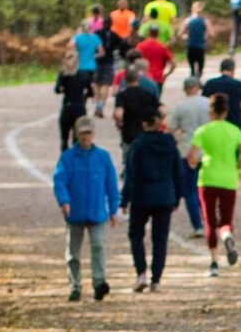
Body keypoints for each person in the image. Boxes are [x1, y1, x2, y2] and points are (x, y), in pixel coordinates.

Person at [52, 116, 119, 303]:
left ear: (93, 134)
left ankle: (99, 282)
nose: (85, 137)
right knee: (73, 253)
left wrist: (113, 208)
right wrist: (64, 201)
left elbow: (111, 184)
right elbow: (59, 181)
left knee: (98, 246)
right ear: (76, 134)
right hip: (75, 214)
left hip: (97, 213)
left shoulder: (103, 157)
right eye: (82, 133)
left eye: (88, 133)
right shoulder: (67, 158)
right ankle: (74, 286)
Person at [189, 92, 241, 276]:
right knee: (226, 220)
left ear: (211, 111)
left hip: (208, 179)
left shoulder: (203, 131)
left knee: (209, 220)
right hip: (228, 179)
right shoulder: (234, 130)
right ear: (226, 111)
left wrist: (194, 164)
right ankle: (227, 236)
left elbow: (191, 156)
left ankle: (214, 262)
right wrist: (238, 165)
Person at [122, 111, 184, 293]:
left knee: (136, 234)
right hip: (164, 196)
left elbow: (130, 174)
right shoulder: (169, 143)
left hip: (141, 196)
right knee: (160, 238)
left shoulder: (137, 144)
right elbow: (178, 171)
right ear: (159, 123)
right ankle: (156, 279)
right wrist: (177, 196)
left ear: (144, 124)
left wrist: (124, 200)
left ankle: (141, 273)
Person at [169, 75, 209, 239]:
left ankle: (197, 225)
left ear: (185, 89)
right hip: (208, 151)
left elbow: (170, 128)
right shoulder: (208, 103)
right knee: (206, 188)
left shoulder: (180, 107)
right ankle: (209, 220)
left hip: (187, 151)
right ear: (198, 87)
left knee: (190, 190)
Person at [113, 63, 160, 155]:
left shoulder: (122, 95)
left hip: (128, 134)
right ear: (138, 78)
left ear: (125, 79)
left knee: (128, 158)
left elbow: (119, 113)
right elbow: (162, 110)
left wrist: (119, 123)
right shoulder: (147, 94)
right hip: (146, 132)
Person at [54, 47, 94, 150]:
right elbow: (91, 92)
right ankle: (76, 157)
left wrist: (65, 90)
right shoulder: (83, 75)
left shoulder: (63, 74)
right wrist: (83, 96)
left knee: (64, 139)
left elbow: (57, 90)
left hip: (67, 106)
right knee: (78, 138)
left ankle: (65, 157)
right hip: (80, 108)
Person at [202, 58, 241, 129]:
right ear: (233, 70)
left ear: (220, 69)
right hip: (235, 123)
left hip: (215, 124)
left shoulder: (210, 83)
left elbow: (203, 101)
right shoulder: (238, 84)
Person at [88, 6, 117, 116]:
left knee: (96, 83)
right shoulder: (114, 35)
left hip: (97, 61)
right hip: (109, 62)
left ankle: (96, 101)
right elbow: (120, 47)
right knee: (105, 85)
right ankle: (100, 106)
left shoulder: (97, 34)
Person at [135, 23, 175, 91]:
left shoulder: (140, 46)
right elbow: (173, 64)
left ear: (148, 33)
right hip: (158, 79)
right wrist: (166, 75)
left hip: (143, 78)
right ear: (158, 33)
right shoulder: (162, 47)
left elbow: (134, 60)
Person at [182, 1, 208, 78]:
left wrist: (186, 36)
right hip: (200, 46)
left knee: (192, 69)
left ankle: (193, 78)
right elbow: (211, 33)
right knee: (200, 67)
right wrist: (205, 37)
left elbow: (181, 33)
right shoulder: (205, 21)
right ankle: (197, 79)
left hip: (191, 46)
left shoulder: (187, 20)